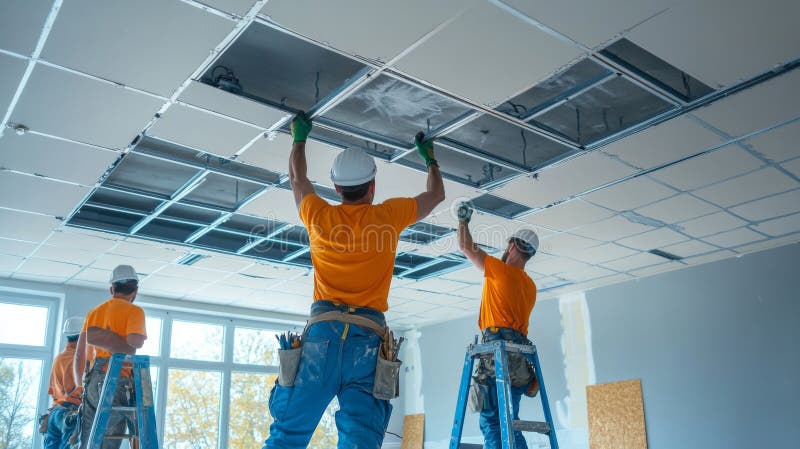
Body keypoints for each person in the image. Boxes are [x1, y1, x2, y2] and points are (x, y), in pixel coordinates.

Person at [263, 113, 445, 449]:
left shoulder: (319, 215)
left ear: (335, 187)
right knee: (361, 442)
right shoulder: (387, 216)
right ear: (372, 186)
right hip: (367, 343)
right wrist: (430, 159)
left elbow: (296, 178)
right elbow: (435, 196)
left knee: (286, 437)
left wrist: (299, 138)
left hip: (322, 339)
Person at [456, 202, 540, 449]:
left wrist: (462, 221)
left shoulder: (499, 271)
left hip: (498, 357)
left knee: (492, 422)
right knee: (510, 422)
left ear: (512, 246)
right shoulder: (530, 286)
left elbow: (465, 247)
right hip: (520, 365)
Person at [73, 265, 147, 449]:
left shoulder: (94, 313)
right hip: (116, 381)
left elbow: (79, 354)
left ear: (112, 289)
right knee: (109, 443)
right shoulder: (135, 312)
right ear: (135, 291)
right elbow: (135, 342)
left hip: (91, 382)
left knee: (89, 441)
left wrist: (79, 385)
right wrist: (122, 345)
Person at [44, 317, 84, 449]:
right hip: (69, 414)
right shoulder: (80, 359)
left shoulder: (59, 358)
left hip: (55, 414)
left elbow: (52, 390)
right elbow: (82, 389)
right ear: (82, 336)